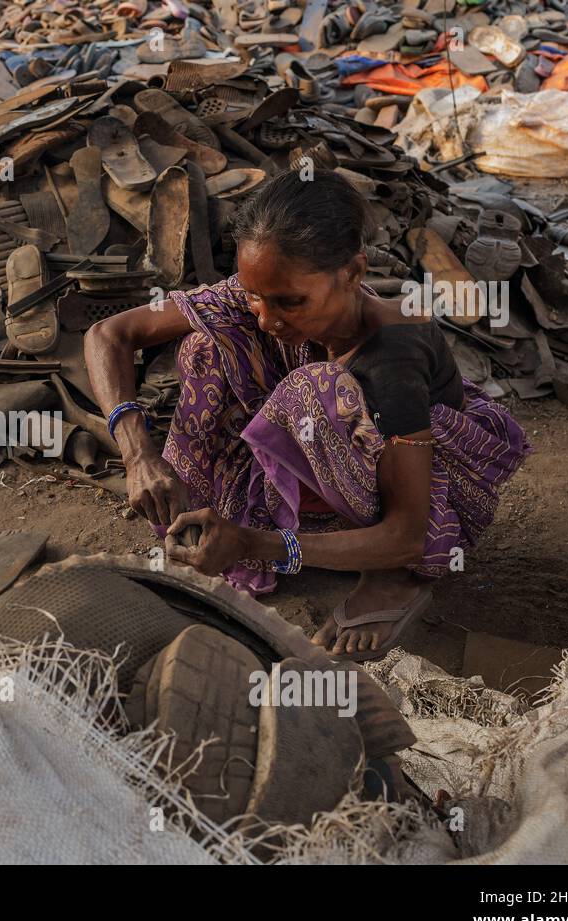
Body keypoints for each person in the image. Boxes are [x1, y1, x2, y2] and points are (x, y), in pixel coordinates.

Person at [84, 168, 531, 661]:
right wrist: (138, 453)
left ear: (354, 273)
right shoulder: (263, 296)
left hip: (425, 509)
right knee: (207, 349)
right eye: (256, 295)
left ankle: (392, 580)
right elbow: (108, 335)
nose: (267, 317)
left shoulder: (393, 353)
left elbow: (408, 534)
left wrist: (256, 544)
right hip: (334, 470)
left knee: (316, 393)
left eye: (290, 303)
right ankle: (287, 531)